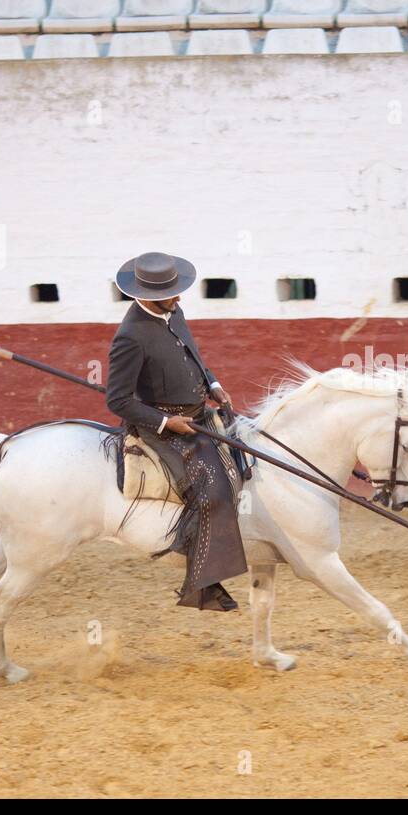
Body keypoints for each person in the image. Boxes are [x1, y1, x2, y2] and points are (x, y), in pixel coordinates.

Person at [105, 252, 247, 612]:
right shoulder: (129, 337)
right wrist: (167, 423)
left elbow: (192, 355)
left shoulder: (174, 313)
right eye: (172, 292)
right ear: (148, 296)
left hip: (198, 412)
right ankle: (202, 583)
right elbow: (118, 400)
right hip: (162, 427)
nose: (180, 297)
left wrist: (212, 383)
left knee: (244, 453)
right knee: (211, 485)